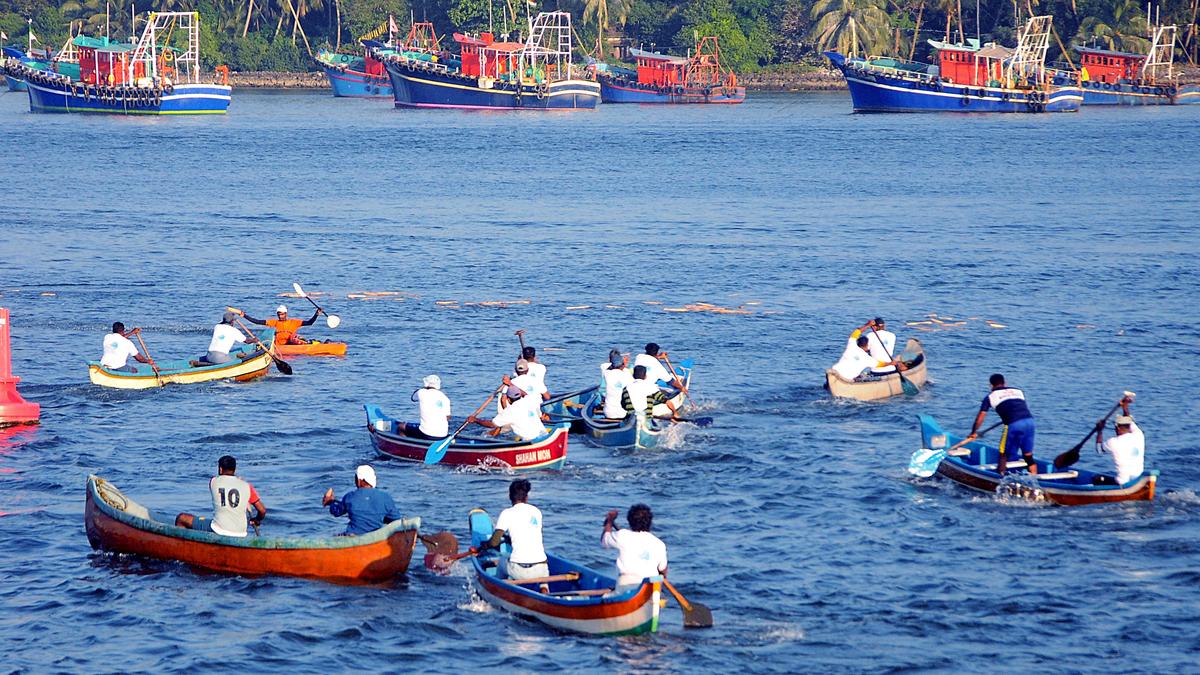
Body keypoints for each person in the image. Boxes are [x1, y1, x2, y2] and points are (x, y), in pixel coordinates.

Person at [175, 455, 266, 537]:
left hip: (219, 529)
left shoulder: (213, 482)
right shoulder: (247, 486)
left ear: (220, 469)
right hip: (241, 533)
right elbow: (262, 510)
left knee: (181, 518)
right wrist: (256, 520)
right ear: (235, 469)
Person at [477, 479, 549, 583]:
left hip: (519, 571)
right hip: (541, 568)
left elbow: (494, 542)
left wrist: (483, 546)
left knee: (503, 560)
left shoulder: (507, 513)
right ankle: (544, 589)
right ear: (526, 497)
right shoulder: (537, 512)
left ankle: (498, 588)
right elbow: (527, 533)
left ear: (510, 497)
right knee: (543, 570)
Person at [968, 373, 1038, 476]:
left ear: (991, 385)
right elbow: (1017, 407)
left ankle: (999, 479)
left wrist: (973, 432)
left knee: (1003, 454)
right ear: (1005, 383)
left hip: (1014, 424)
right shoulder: (1018, 391)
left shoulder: (990, 397)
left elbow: (980, 418)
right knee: (1028, 455)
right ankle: (1035, 479)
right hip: (1029, 422)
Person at [321, 464, 404, 536]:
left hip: (353, 536)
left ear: (359, 480)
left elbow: (336, 512)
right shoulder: (385, 497)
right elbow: (396, 520)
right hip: (375, 537)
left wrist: (330, 502)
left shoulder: (350, 496)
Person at [601, 504, 668, 590]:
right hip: (650, 585)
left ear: (629, 521)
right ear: (650, 522)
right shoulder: (659, 544)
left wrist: (609, 522)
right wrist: (660, 576)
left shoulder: (622, 535)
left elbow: (604, 540)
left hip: (625, 583)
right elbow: (663, 572)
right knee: (660, 577)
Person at [469, 377, 548, 441]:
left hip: (530, 440)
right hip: (544, 435)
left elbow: (492, 424)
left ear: (508, 399)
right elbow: (525, 394)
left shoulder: (509, 411)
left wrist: (476, 420)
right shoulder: (529, 400)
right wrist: (509, 383)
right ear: (520, 395)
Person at [1094, 396, 1144, 485]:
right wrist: (1125, 407)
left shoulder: (1113, 442)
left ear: (1117, 428)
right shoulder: (1139, 434)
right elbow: (1129, 420)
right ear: (1129, 426)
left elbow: (1099, 449)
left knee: (1096, 479)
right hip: (1138, 479)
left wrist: (1100, 431)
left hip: (1123, 482)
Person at [830, 320, 899, 381]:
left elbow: (855, 333)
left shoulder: (851, 346)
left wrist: (867, 325)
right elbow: (879, 364)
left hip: (834, 371)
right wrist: (891, 363)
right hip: (887, 370)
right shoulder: (893, 335)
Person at [234, 304, 320, 346]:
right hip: (279, 346)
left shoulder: (294, 322)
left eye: (282, 314)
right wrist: (244, 315)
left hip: (291, 344)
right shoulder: (274, 322)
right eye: (279, 314)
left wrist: (316, 314)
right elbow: (256, 322)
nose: (280, 316)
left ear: (286, 314)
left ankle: (311, 343)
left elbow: (310, 323)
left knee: (295, 337)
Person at [406, 374, 451, 439]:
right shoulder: (445, 398)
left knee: (401, 427)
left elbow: (413, 398)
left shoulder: (421, 392)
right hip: (443, 434)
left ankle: (407, 445)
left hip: (426, 433)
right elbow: (448, 417)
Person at [601, 349, 633, 420]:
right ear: (622, 364)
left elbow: (606, 365)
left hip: (608, 412)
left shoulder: (607, 373)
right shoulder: (626, 374)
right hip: (622, 413)